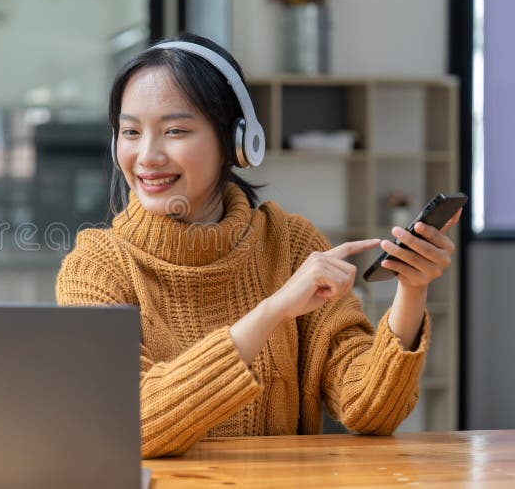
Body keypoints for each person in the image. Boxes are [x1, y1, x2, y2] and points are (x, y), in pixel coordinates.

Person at [55, 33, 461, 459]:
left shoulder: (291, 245)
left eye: (175, 130)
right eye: (131, 132)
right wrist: (272, 311)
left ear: (237, 142)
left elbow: (371, 410)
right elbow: (126, 423)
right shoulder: (95, 267)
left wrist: (412, 291)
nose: (147, 155)